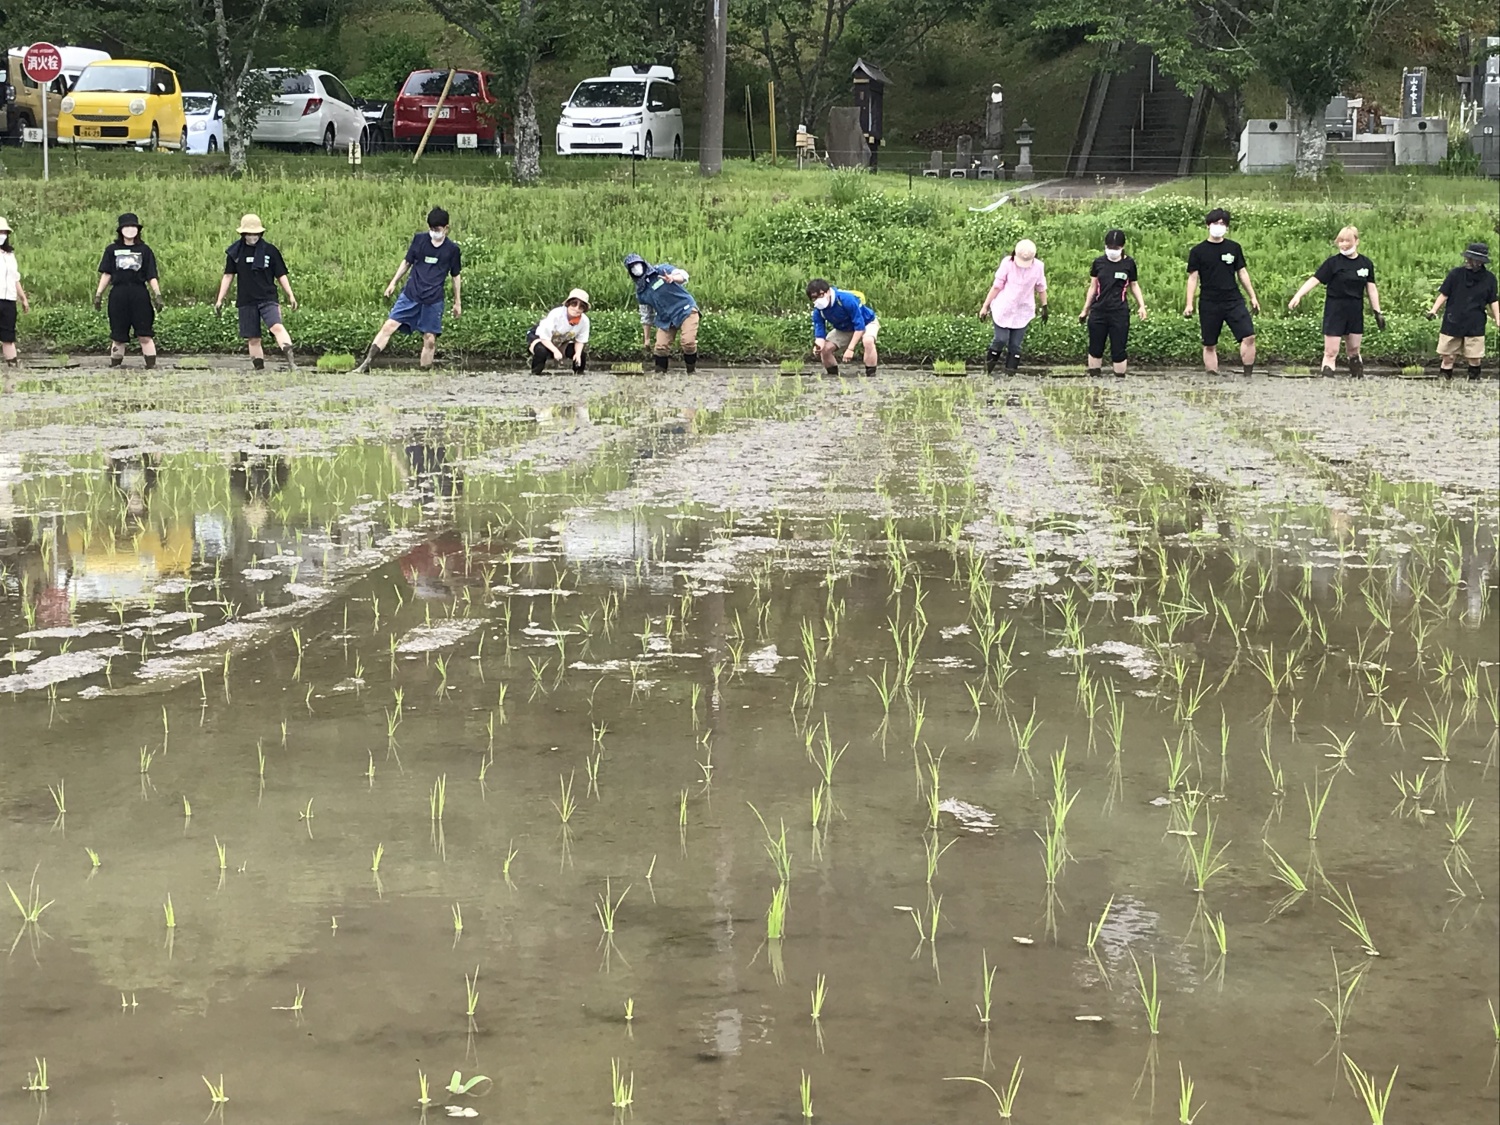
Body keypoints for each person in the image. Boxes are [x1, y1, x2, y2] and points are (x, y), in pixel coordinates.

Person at [352, 208, 462, 373]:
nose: (434, 233)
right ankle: (365, 364)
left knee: (430, 339)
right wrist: (393, 283)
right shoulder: (419, 240)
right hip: (411, 294)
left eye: (437, 230)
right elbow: (407, 262)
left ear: (446, 228)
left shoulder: (452, 250)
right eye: (431, 229)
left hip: (433, 299)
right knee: (389, 326)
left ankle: (424, 374)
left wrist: (457, 302)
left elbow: (455, 276)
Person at [1287, 225, 1385, 378]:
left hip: (1355, 309)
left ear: (1356, 241)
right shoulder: (1333, 263)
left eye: (1347, 241)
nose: (1344, 244)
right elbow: (1315, 279)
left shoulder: (1365, 264)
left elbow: (1371, 289)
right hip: (1335, 308)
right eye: (1341, 241)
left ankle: (1357, 382)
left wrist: (1377, 311)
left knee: (1354, 350)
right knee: (1331, 352)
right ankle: (1328, 383)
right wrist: (1298, 295)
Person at [213, 214, 299, 372]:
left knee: (277, 327)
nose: (252, 237)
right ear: (243, 234)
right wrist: (220, 299)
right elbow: (228, 276)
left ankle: (292, 363)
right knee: (253, 338)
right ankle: (259, 370)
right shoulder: (235, 253)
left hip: (267, 298)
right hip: (246, 300)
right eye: (249, 234)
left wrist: (290, 295)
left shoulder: (270, 251)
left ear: (260, 234)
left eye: (255, 234)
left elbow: (281, 275)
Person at [1184, 208, 1260, 377]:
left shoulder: (1234, 248)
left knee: (1249, 336)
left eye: (1222, 224)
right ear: (1208, 225)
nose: (1219, 226)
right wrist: (1189, 303)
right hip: (1209, 301)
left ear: (1227, 227)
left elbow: (1242, 273)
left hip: (1233, 299)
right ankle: (1212, 377)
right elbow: (1192, 278)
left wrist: (1253, 296)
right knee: (1210, 344)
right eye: (1215, 223)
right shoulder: (1198, 251)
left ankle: (1248, 375)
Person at [93, 212, 164, 369]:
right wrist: (98, 294)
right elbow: (107, 273)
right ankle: (115, 366)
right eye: (127, 227)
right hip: (118, 294)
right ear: (120, 230)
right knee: (118, 335)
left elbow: (151, 275)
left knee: (144, 333)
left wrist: (157, 294)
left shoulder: (145, 250)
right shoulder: (111, 250)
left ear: (138, 230)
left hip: (139, 294)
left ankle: (151, 367)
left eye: (133, 227)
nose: (130, 230)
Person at [1079, 229, 1147, 377]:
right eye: (1109, 247)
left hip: (1119, 312)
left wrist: (1141, 305)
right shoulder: (1098, 263)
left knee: (1119, 349)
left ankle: (1119, 381)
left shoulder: (1129, 264)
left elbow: (1134, 285)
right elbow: (1093, 287)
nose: (1112, 251)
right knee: (1095, 348)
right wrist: (1085, 310)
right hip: (1098, 311)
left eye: (1115, 248)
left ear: (1122, 247)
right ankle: (1094, 381)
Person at [1426, 242, 1499, 380]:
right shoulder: (1455, 274)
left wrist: (1498, 318)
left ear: (1480, 262)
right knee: (1448, 357)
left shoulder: (1489, 279)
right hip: (1453, 320)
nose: (1468, 261)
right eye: (1468, 258)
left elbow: (1493, 300)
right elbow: (1444, 294)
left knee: (1475, 358)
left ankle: (1473, 384)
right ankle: (1444, 383)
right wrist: (1433, 310)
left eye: (1471, 259)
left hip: (1475, 322)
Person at [979, 239, 1048, 375]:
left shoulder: (1038, 266)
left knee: (1015, 346)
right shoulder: (1007, 263)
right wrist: (985, 306)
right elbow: (997, 286)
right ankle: (987, 372)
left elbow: (1041, 287)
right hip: (1004, 307)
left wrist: (1044, 306)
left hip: (1023, 309)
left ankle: (1010, 378)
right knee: (1000, 339)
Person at [624, 253, 700, 373]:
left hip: (685, 309)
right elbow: (646, 316)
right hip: (666, 318)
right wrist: (647, 338)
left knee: (688, 342)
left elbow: (683, 275)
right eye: (632, 267)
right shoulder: (641, 292)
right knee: (660, 348)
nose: (636, 268)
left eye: (637, 265)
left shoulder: (661, 270)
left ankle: (691, 372)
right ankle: (660, 376)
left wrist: (672, 278)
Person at [806, 279, 879, 377]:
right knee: (825, 349)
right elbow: (820, 333)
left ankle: (871, 376)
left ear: (828, 292)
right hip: (844, 328)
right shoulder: (818, 311)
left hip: (866, 323)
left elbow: (860, 326)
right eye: (814, 298)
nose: (818, 299)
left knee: (868, 341)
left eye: (821, 295)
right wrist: (818, 346)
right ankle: (833, 377)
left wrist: (850, 349)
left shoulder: (846, 299)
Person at [528, 289, 591, 374]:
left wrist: (578, 354)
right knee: (541, 351)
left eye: (581, 306)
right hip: (541, 337)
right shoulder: (556, 314)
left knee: (580, 355)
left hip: (562, 341)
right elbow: (544, 336)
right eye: (574, 304)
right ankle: (535, 374)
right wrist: (555, 351)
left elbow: (580, 341)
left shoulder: (584, 321)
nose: (577, 309)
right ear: (568, 304)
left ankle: (579, 375)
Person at [0, 217, 30, 370]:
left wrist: (23, 298)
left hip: (9, 299)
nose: (2, 234)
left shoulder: (10, 255)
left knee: (8, 336)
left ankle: (12, 366)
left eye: (4, 232)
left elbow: (15, 278)